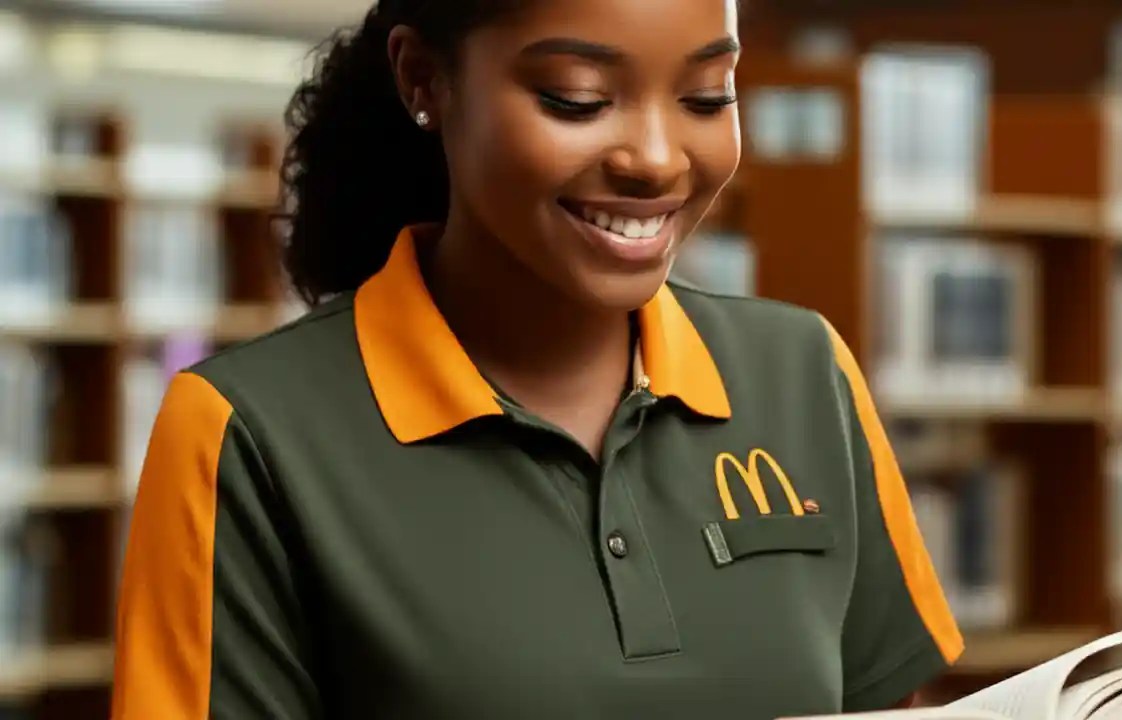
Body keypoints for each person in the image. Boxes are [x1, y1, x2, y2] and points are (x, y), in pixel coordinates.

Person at [110, 0, 964, 717]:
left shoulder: (802, 371)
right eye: (578, 98)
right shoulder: (249, 434)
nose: (658, 159)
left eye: (707, 97)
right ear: (424, 80)